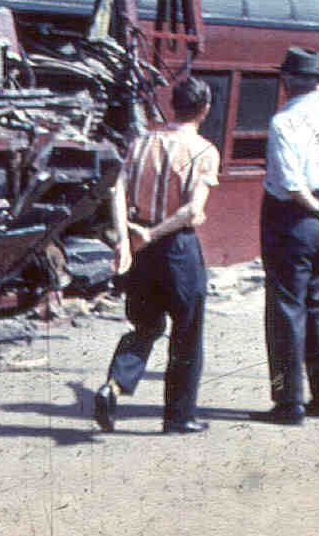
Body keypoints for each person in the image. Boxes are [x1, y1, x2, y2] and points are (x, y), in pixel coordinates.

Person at [91, 77, 221, 435]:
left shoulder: (141, 143)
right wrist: (155, 232)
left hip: (141, 247)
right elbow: (192, 210)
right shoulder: (204, 151)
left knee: (145, 326)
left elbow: (117, 191)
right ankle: (179, 417)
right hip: (177, 247)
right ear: (205, 109)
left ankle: (114, 385)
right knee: (187, 332)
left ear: (172, 104)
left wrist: (125, 238)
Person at [254, 47, 319, 426]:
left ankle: (288, 402)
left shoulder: (283, 121)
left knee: (284, 308)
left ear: (286, 81)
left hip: (295, 214)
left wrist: (316, 208)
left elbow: (292, 184)